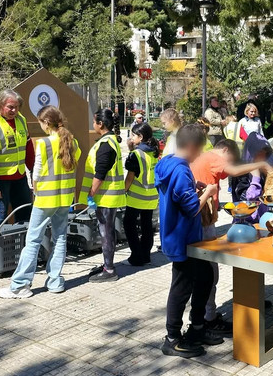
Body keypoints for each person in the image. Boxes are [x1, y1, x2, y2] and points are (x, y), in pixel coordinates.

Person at [0, 106, 80, 299]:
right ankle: (55, 281)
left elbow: (36, 173)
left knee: (33, 240)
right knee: (60, 238)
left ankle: (20, 285)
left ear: (45, 123)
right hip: (65, 199)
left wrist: (35, 189)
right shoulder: (73, 142)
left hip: (45, 200)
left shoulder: (43, 143)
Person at [155, 123, 223, 357]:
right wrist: (209, 192)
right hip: (181, 237)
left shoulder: (169, 163)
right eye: (201, 149)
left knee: (204, 277)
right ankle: (172, 338)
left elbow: (179, 194)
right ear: (193, 146)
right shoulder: (180, 169)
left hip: (188, 237)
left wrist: (196, 186)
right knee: (181, 288)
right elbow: (192, 207)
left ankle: (197, 327)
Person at [191, 138, 271, 334]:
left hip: (201, 221)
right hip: (203, 223)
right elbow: (235, 171)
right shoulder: (213, 157)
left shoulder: (204, 158)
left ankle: (202, 315)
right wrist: (260, 165)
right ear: (225, 150)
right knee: (209, 273)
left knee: (204, 273)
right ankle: (207, 319)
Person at [79, 108, 126, 282]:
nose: (93, 124)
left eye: (94, 122)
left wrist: (91, 194)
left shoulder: (106, 145)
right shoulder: (109, 141)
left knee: (105, 232)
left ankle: (109, 269)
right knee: (107, 231)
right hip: (107, 196)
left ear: (101, 124)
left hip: (106, 197)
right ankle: (108, 264)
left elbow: (100, 174)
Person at [0, 89, 35, 225]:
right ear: (0, 106)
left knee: (26, 214)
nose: (14, 111)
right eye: (10, 107)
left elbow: (28, 149)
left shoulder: (21, 120)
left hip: (20, 177)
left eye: (16, 107)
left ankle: (23, 245)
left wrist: (34, 171)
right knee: (0, 218)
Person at [124, 123, 160, 266]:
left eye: (133, 135)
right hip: (151, 196)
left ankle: (136, 256)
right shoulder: (153, 152)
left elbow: (129, 178)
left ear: (140, 137)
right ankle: (145, 255)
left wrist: (123, 191)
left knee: (129, 224)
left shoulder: (136, 155)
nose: (131, 137)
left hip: (136, 197)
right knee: (147, 225)